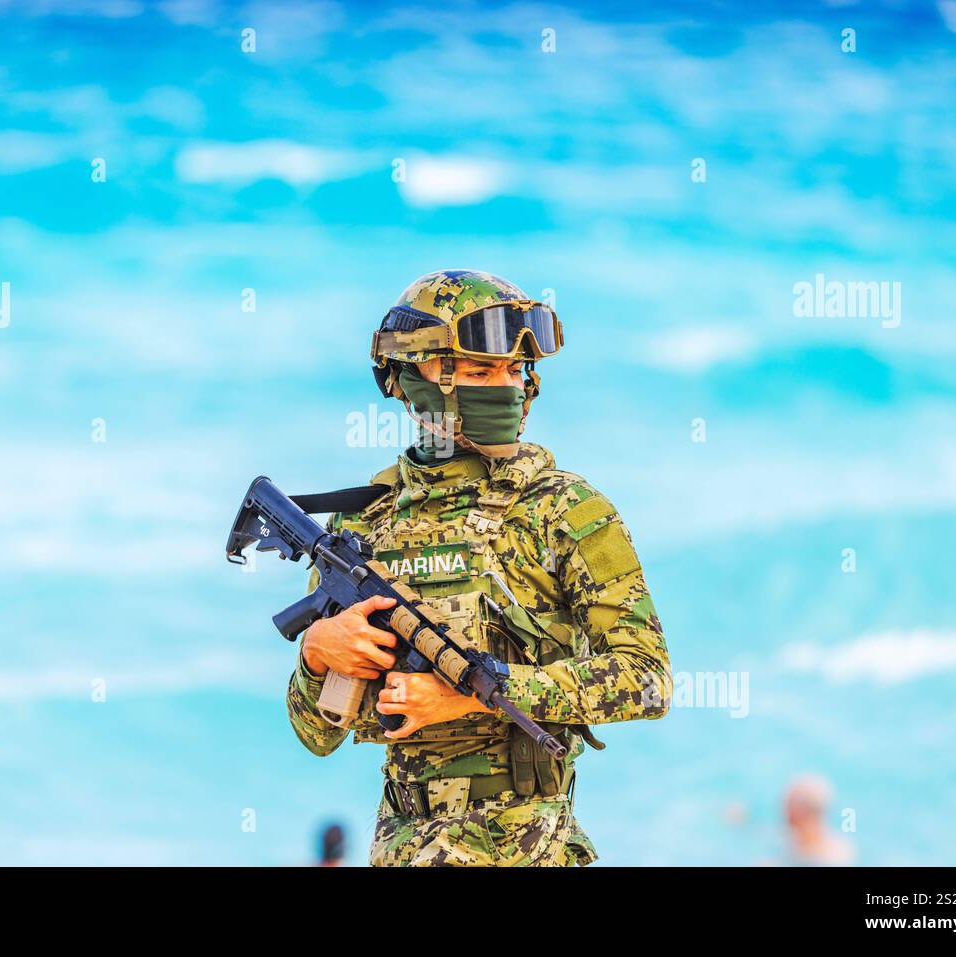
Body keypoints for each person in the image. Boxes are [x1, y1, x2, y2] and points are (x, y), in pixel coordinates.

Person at [285, 269, 671, 866]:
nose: (509, 388)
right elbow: (316, 736)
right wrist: (319, 652)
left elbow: (646, 680)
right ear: (420, 378)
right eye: (483, 371)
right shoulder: (367, 528)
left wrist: (475, 696)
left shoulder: (564, 511)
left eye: (516, 372)